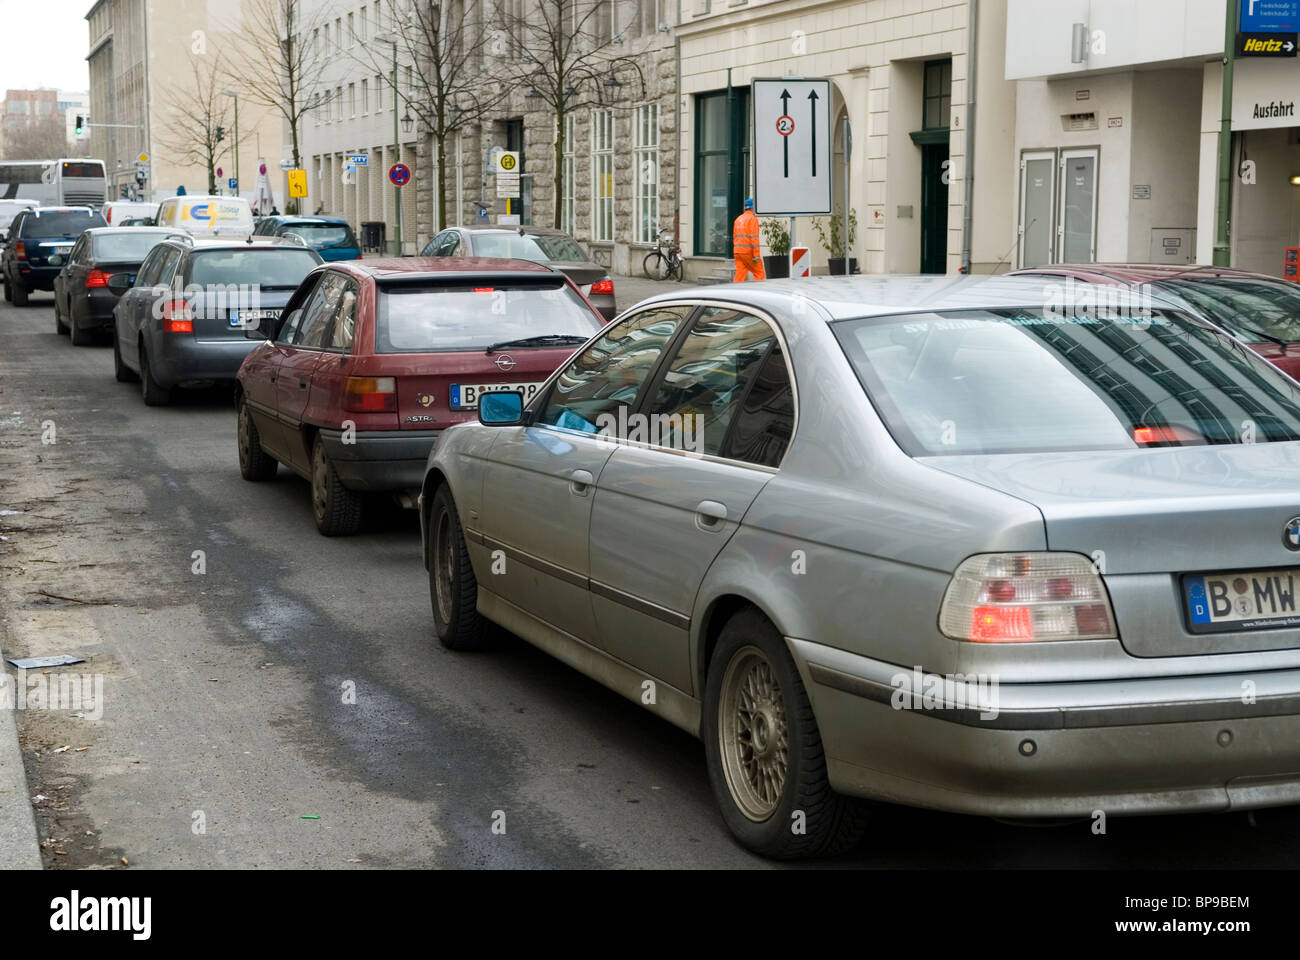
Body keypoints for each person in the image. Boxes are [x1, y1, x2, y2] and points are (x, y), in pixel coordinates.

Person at [732, 197, 765, 282]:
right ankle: (757, 293)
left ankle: (734, 292)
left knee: (740, 275)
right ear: (753, 207)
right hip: (748, 252)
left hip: (738, 252)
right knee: (759, 273)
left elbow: (735, 236)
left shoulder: (738, 219)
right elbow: (754, 238)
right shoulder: (752, 219)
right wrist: (756, 255)